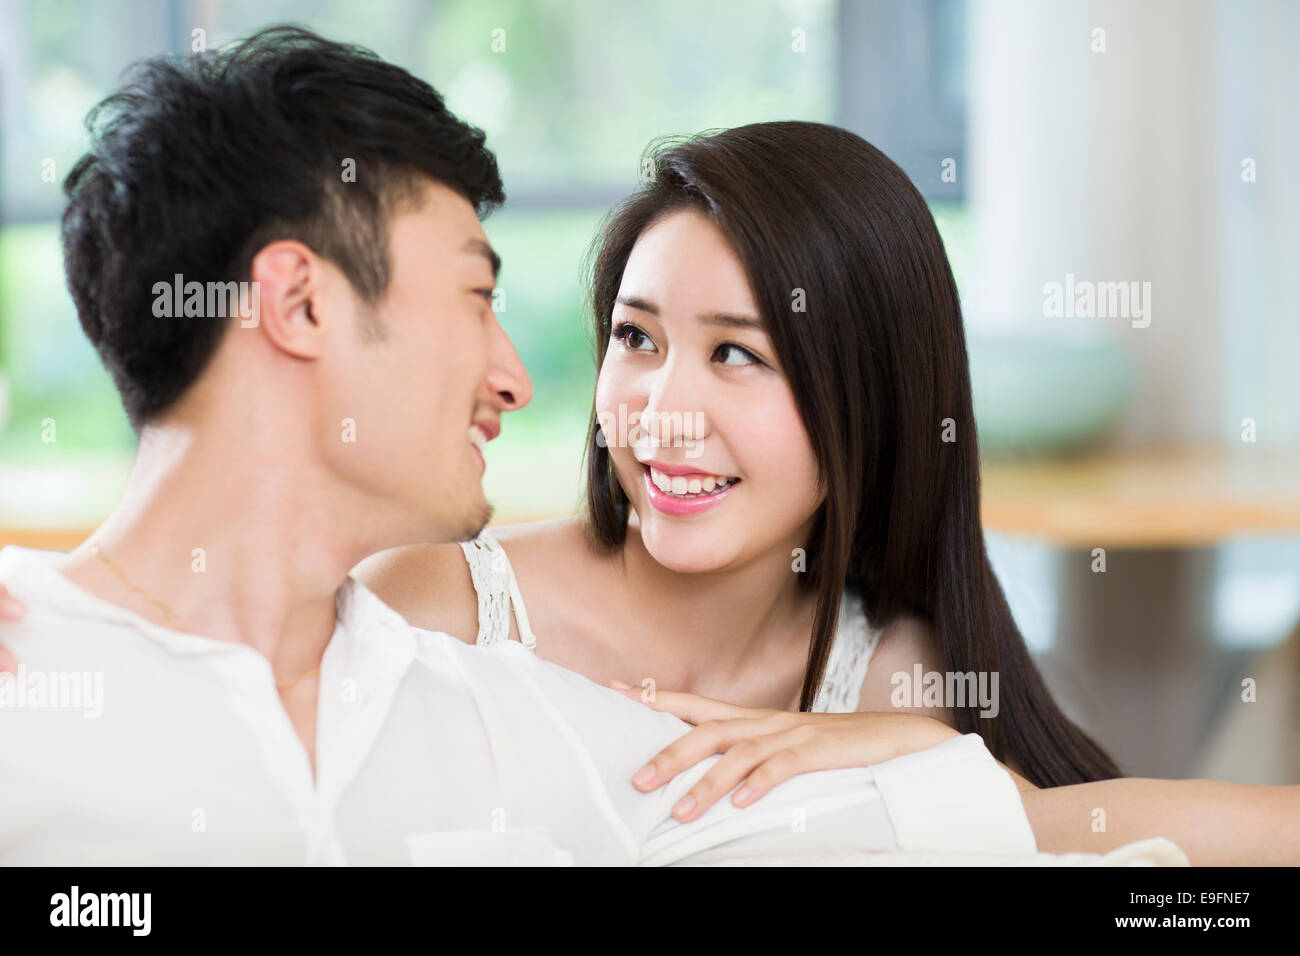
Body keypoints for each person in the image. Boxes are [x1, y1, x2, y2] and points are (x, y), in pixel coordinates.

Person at [0, 26, 1037, 865]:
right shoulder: (49, 685)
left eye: (738, 353)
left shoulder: (539, 722)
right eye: (474, 295)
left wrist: (924, 752)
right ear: (299, 304)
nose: (517, 380)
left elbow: (1079, 831)